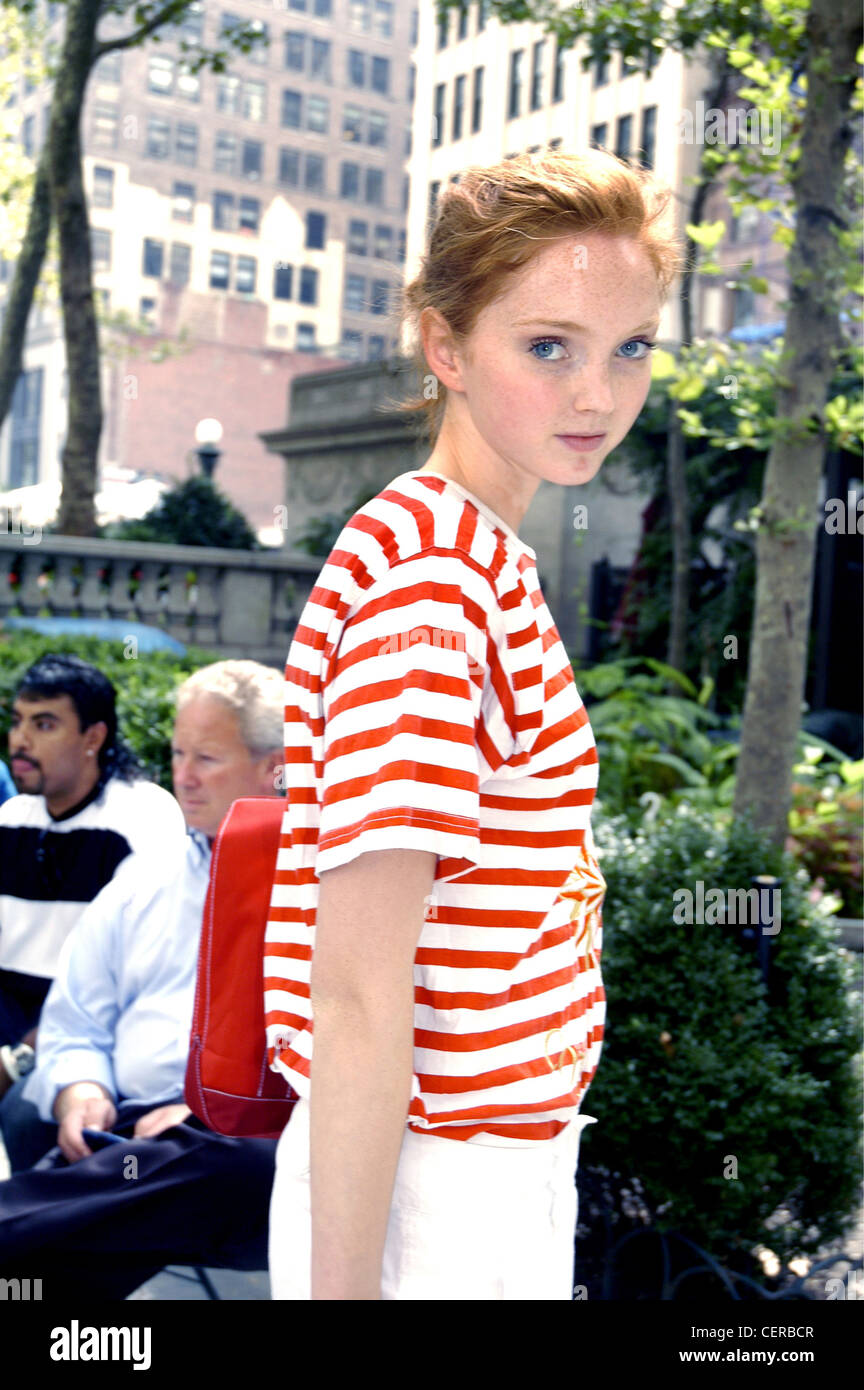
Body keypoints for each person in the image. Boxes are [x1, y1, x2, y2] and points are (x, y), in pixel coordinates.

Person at [264, 148, 685, 1300]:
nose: (597, 394)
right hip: (434, 1195)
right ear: (446, 347)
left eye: (630, 346)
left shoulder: (467, 559)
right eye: (547, 346)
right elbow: (355, 997)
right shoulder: (431, 587)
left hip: (470, 1175)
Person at [0, 660, 284, 1299]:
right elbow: (78, 1017)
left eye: (206, 758)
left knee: (222, 1162)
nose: (182, 776)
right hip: (124, 1135)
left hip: (238, 1143)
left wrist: (211, 1107)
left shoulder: (320, 888)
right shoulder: (145, 878)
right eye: (177, 752)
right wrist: (80, 1088)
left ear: (277, 768)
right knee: (45, 1255)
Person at [0, 654, 186, 1096]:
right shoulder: (11, 817)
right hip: (11, 1018)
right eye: (18, 721)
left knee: (26, 1118)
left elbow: (137, 981)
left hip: (88, 1039)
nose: (20, 740)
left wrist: (19, 1059)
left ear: (93, 737)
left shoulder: (143, 818)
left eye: (44, 725)